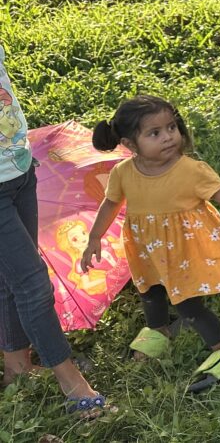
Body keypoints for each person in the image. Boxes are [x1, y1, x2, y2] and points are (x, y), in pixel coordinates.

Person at [81, 95, 220, 392]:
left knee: (188, 305)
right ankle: (158, 331)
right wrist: (95, 236)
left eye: (171, 127)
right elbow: (110, 204)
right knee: (150, 293)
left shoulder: (190, 170)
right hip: (148, 251)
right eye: (155, 133)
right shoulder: (123, 173)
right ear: (130, 144)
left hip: (182, 253)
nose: (168, 137)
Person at [0, 46, 112, 418]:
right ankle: (71, 382)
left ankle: (16, 367)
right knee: (33, 283)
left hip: (19, 170)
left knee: (11, 280)